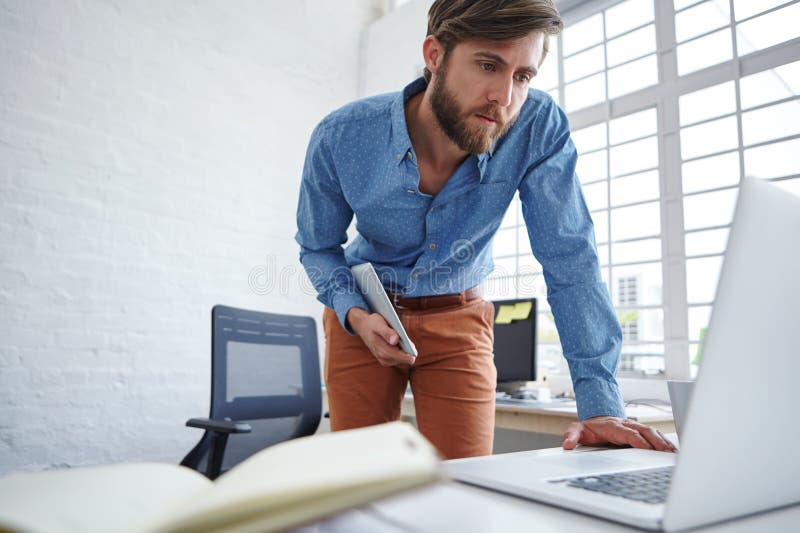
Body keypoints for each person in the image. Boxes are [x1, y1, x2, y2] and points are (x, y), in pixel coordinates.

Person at [295, 0, 676, 459]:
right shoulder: (343, 135)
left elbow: (569, 258)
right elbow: (318, 248)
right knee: (357, 487)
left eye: (522, 76)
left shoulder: (537, 127)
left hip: (460, 320)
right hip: (363, 319)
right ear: (435, 55)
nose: (505, 97)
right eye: (487, 65)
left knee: (467, 488)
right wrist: (355, 315)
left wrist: (599, 405)